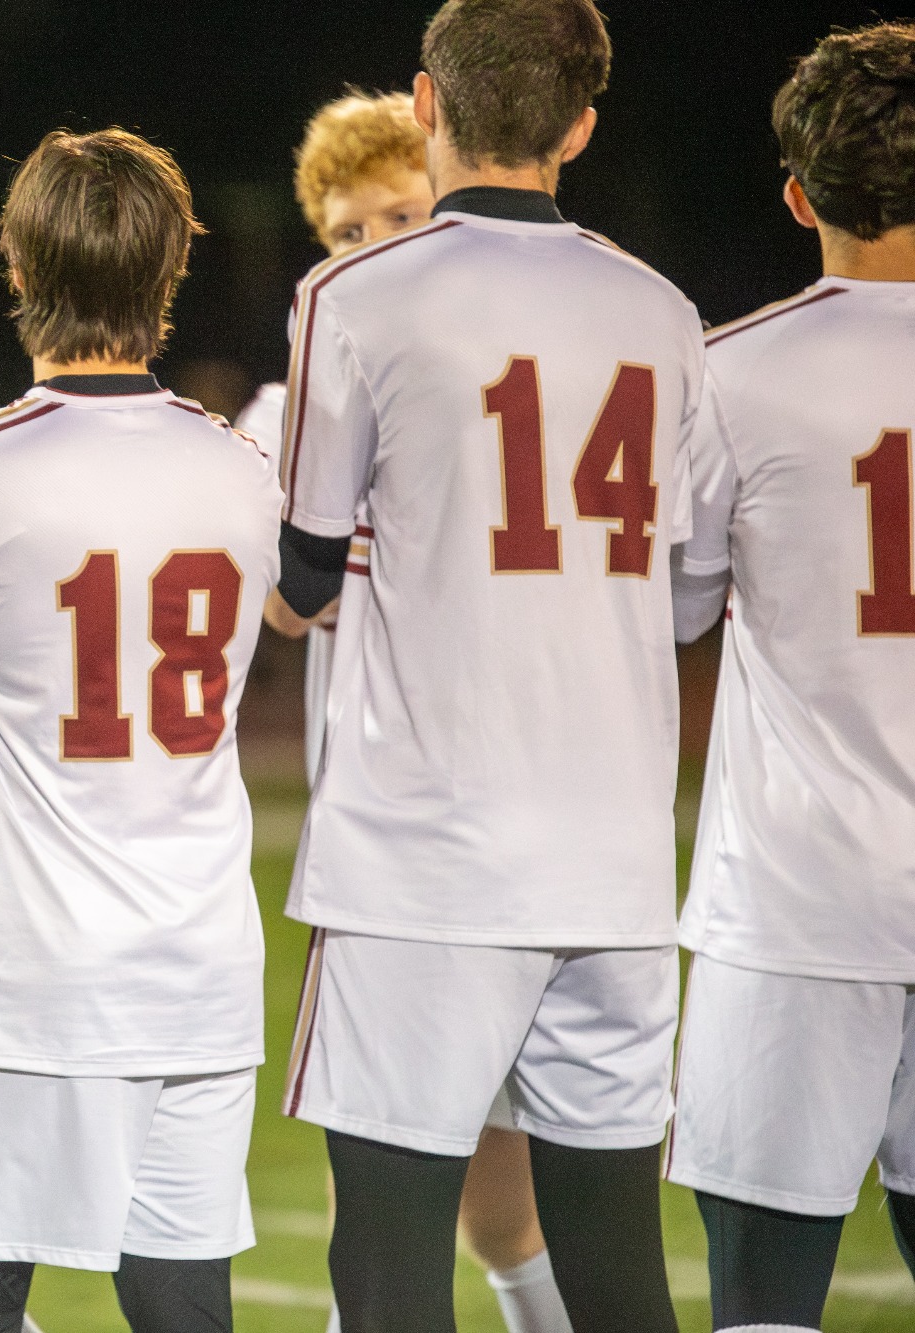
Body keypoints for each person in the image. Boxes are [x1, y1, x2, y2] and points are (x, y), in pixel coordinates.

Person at [271, 2, 704, 1328]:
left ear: (425, 104)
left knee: (392, 1262)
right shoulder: (663, 310)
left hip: (425, 858)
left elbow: (301, 578)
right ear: (579, 126)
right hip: (619, 860)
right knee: (616, 1261)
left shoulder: (349, 296)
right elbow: (685, 598)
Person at [0, 127, 283, 1333]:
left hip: (25, 980)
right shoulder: (241, 469)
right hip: (197, 965)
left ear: (17, 263)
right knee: (183, 1307)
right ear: (168, 271)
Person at [246, 89, 570, 1333]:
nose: (374, 244)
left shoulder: (501, 378)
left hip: (441, 835)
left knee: (401, 1188)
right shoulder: (287, 405)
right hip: (442, 820)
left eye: (400, 211)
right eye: (344, 230)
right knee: (491, 1197)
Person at [664, 22, 915, 1331]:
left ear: (799, 194)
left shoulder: (735, 371)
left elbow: (681, 605)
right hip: (809, 900)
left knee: (764, 1306)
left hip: (802, 897)